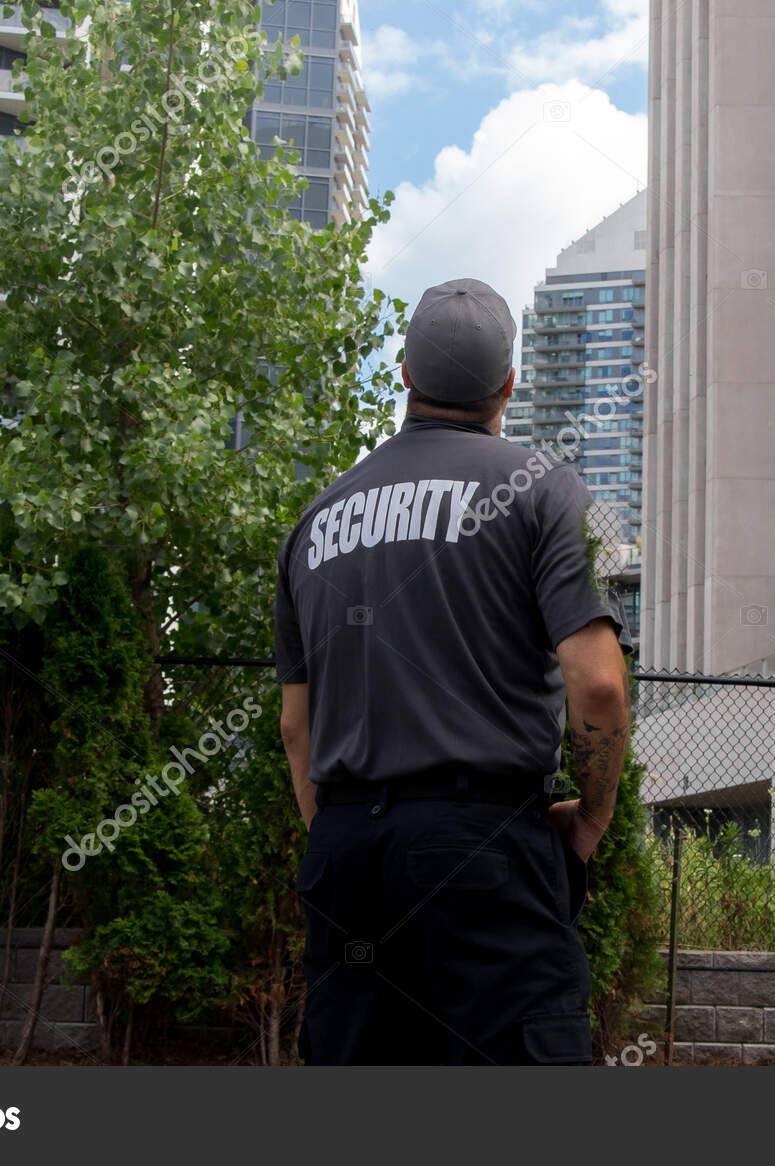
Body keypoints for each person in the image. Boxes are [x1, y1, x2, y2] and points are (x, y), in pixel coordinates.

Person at [274, 277, 632, 1065]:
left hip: (348, 854)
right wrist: (595, 814)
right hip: (486, 849)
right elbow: (600, 686)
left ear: (405, 373)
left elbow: (296, 727)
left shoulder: (316, 521)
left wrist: (341, 842)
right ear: (509, 385)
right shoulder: (543, 489)